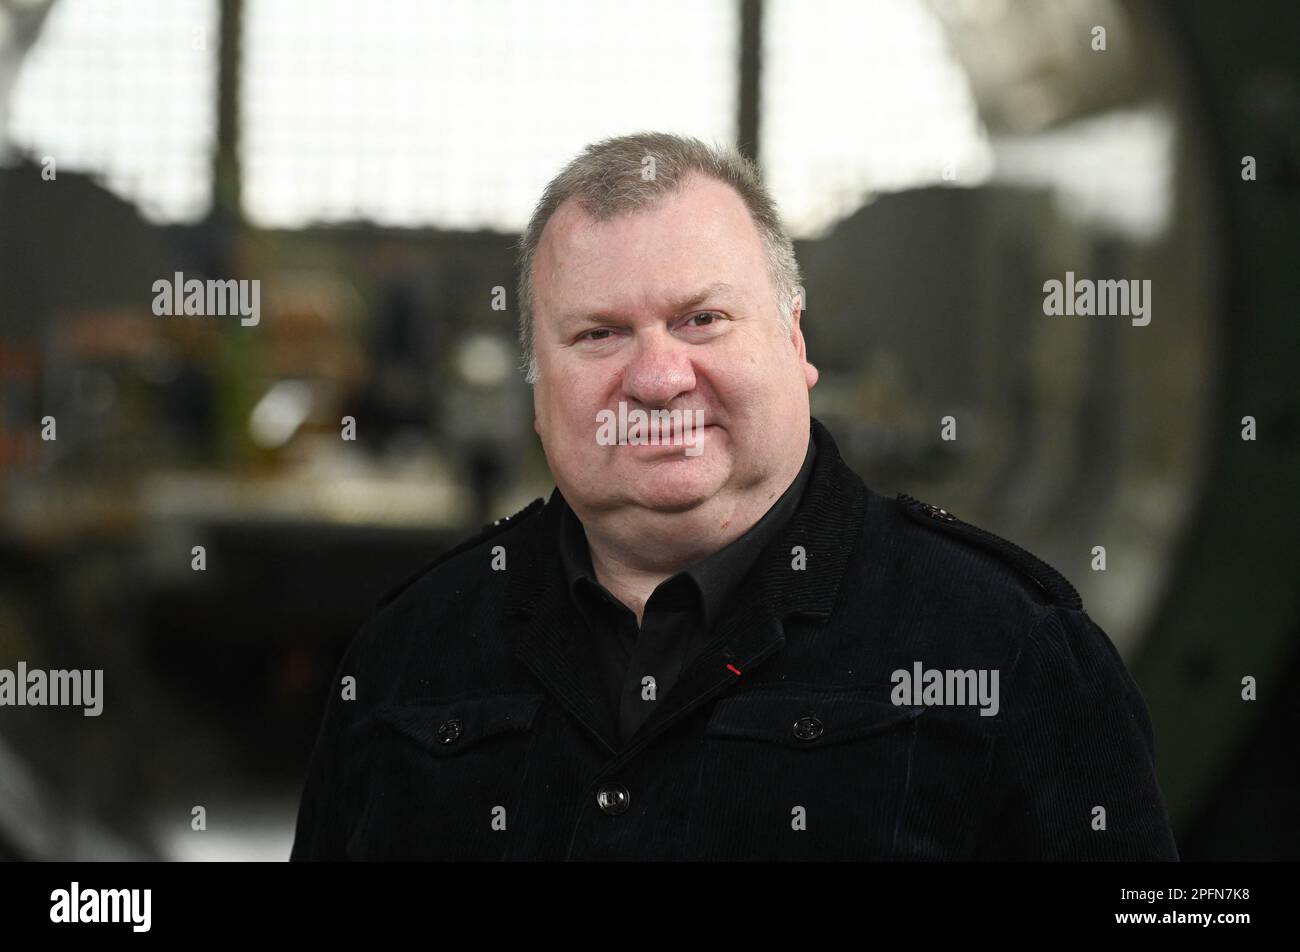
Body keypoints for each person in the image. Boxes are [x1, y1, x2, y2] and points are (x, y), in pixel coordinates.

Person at [290, 132, 1179, 861]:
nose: (657, 377)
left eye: (701, 320)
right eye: (598, 334)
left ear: (794, 342)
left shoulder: (1013, 650)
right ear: (536, 387)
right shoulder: (407, 660)